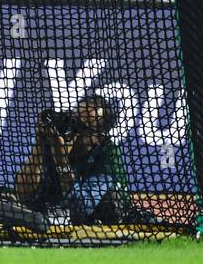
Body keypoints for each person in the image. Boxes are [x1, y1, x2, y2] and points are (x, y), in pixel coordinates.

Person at [14, 93, 129, 223]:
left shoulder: (108, 154)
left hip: (97, 229)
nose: (73, 130)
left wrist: (61, 158)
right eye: (73, 120)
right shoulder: (57, 140)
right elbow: (23, 194)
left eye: (82, 127)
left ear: (98, 138)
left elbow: (83, 206)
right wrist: (40, 145)